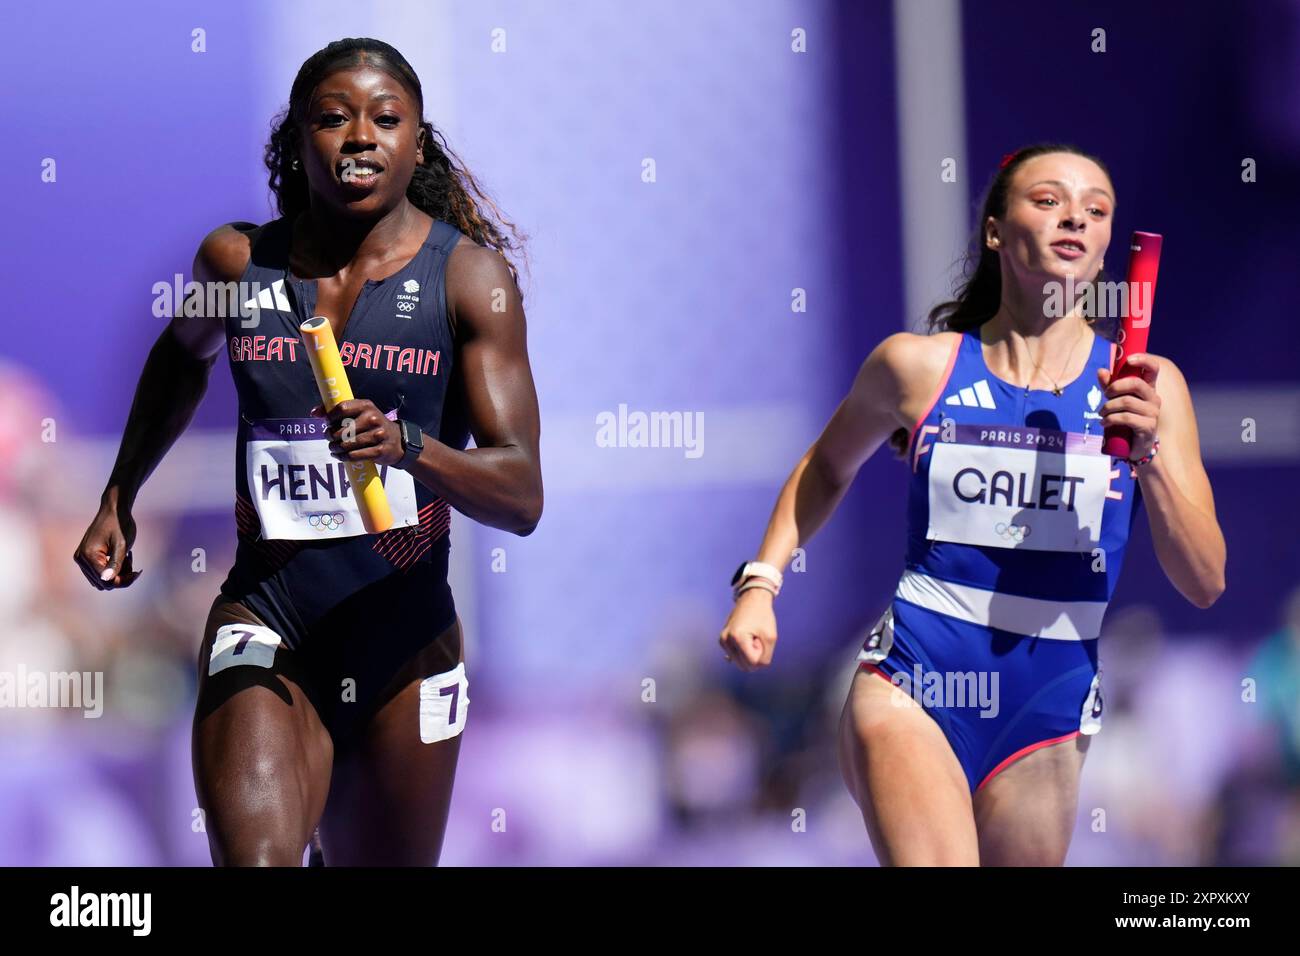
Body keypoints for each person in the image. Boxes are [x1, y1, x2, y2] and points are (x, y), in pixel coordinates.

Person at [73, 37, 543, 866]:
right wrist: (120, 494)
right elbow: (182, 356)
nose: (360, 136)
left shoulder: (470, 282)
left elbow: (520, 495)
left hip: (405, 640)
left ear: (418, 142)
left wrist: (410, 446)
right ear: (298, 140)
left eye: (386, 120)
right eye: (333, 119)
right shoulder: (237, 263)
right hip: (268, 618)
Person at [718, 144, 1225, 866]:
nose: (1074, 216)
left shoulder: (1146, 386)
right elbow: (827, 464)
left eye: (1096, 208)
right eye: (1048, 200)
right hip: (915, 680)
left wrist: (1147, 458)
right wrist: (761, 584)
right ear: (995, 229)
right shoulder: (917, 368)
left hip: (1048, 708)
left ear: (1110, 240)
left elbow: (1205, 582)